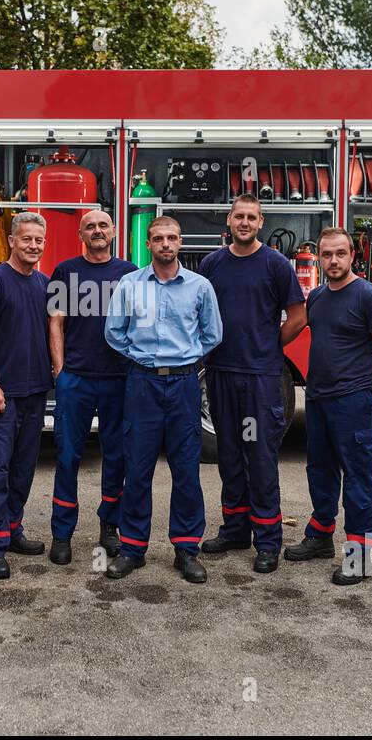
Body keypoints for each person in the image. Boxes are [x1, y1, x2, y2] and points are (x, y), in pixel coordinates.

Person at [103, 216, 222, 584]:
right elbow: (114, 332)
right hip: (142, 385)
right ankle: (133, 548)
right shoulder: (130, 284)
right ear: (148, 244)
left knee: (186, 469)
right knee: (137, 468)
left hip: (184, 384)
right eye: (158, 239)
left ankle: (186, 549)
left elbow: (212, 334)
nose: (165, 244)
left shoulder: (200, 287)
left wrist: (185, 356)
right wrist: (144, 359)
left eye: (171, 238)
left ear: (180, 242)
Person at [284, 227, 372, 585]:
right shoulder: (317, 296)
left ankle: (361, 555)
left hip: (353, 402)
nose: (333, 260)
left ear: (352, 255)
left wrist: (362, 380)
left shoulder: (370, 297)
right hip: (319, 398)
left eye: (340, 253)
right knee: (320, 469)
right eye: (326, 254)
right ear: (319, 259)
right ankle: (320, 535)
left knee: (357, 475)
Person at [198, 195, 306, 574]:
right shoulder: (212, 264)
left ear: (260, 222)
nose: (244, 222)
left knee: (259, 457)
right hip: (220, 374)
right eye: (238, 216)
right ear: (228, 221)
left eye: (251, 217)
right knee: (228, 455)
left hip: (259, 379)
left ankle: (268, 541)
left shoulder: (275, 264)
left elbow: (297, 315)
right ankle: (234, 530)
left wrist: (269, 346)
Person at [46, 210, 137, 565]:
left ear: (113, 231)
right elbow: (55, 322)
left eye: (103, 225)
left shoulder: (129, 274)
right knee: (68, 456)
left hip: (118, 380)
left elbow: (137, 325)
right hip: (77, 380)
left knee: (117, 456)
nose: (97, 230)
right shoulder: (64, 272)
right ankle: (62, 533)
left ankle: (108, 528)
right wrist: (60, 371)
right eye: (90, 226)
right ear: (80, 233)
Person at [0, 212, 52, 580]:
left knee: (23, 468)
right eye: (26, 239)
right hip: (2, 395)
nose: (33, 245)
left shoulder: (44, 284)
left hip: (34, 393)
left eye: (39, 240)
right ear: (13, 241)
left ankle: (11, 528)